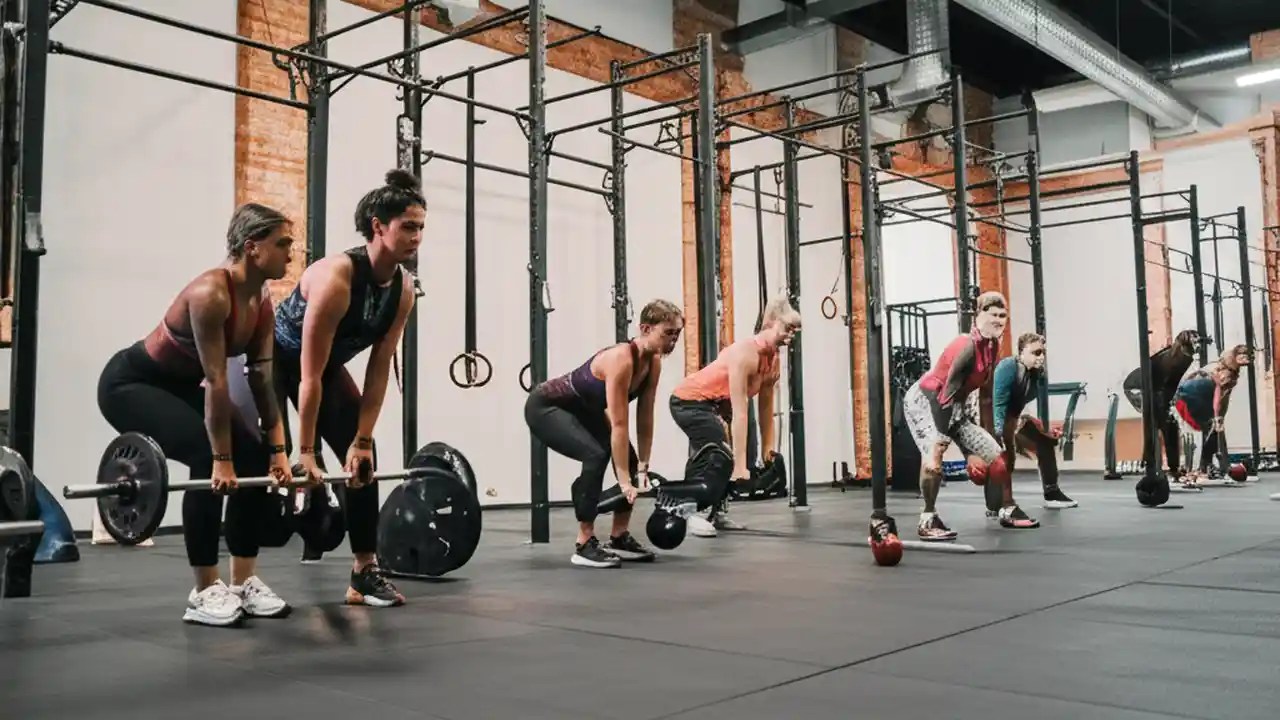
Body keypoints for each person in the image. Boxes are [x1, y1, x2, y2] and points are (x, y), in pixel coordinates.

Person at [97, 203, 296, 626]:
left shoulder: (261, 299)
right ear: (252, 248)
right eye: (283, 244)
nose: (291, 254)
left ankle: (244, 581)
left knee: (253, 453)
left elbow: (262, 379)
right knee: (209, 457)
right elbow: (217, 382)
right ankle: (204, 588)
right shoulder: (212, 294)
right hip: (130, 385)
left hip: (180, 387)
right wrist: (222, 461)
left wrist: (277, 450)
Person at [273, 169, 421, 607]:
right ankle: (239, 579)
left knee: (363, 464)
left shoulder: (404, 289)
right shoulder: (337, 276)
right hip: (269, 365)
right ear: (378, 225)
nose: (417, 237)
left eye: (421, 228)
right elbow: (309, 374)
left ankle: (363, 571)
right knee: (263, 463)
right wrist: (304, 454)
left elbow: (378, 371)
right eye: (408, 227)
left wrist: (361, 441)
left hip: (323, 370)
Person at [524, 300, 685, 568]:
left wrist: (642, 467)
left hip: (585, 410)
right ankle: (584, 542)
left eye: (677, 334)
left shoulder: (652, 363)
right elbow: (620, 423)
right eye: (667, 333)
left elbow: (645, 416)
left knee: (630, 461)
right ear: (645, 328)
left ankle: (618, 537)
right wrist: (624, 483)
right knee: (596, 453)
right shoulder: (621, 359)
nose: (673, 341)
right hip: (546, 407)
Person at [903, 291, 1036, 540]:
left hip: (958, 405)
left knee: (998, 459)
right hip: (927, 402)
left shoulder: (992, 345)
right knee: (934, 459)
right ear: (978, 316)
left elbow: (984, 396)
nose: (998, 320)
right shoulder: (965, 346)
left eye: (1003, 315)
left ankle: (1007, 508)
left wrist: (988, 436)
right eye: (992, 314)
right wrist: (965, 454)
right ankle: (927, 518)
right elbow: (944, 397)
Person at [669, 296, 800, 537]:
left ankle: (717, 512)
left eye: (794, 330)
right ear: (771, 323)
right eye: (787, 328)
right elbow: (741, 411)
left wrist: (767, 451)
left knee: (725, 453)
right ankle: (687, 511)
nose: (791, 335)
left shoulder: (773, 359)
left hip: (716, 405)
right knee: (716, 453)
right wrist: (740, 465)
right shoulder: (744, 353)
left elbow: (765, 408)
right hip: (689, 401)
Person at [992, 332, 1077, 510]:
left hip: (1015, 417)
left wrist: (1039, 426)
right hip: (992, 417)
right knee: (1000, 459)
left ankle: (1052, 493)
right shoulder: (1007, 367)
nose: (1042, 357)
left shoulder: (1038, 374)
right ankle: (997, 503)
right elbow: (998, 403)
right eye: (1036, 353)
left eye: (1043, 352)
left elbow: (1026, 402)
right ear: (1021, 352)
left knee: (1044, 442)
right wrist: (999, 435)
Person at [1122, 329, 1200, 479]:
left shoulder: (1179, 356)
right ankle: (1155, 466)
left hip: (1155, 391)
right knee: (1160, 428)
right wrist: (1168, 405)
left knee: (1166, 429)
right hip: (1145, 390)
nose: (1198, 345)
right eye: (1195, 341)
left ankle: (1167, 467)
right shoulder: (1174, 358)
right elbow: (1167, 384)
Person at [1174, 343, 1252, 482]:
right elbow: (1220, 396)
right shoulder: (1227, 374)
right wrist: (1218, 416)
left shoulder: (1220, 362)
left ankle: (1203, 465)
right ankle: (1204, 467)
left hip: (1186, 389)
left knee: (1207, 428)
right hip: (1198, 390)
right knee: (1211, 427)